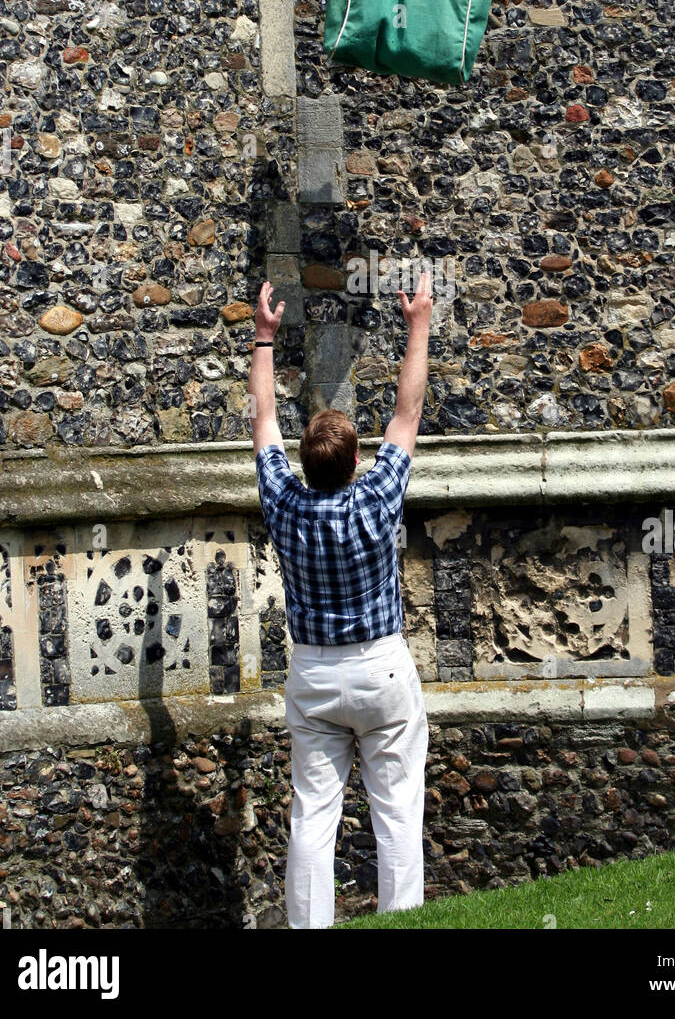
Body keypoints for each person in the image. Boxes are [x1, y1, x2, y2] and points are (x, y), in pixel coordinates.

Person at [248, 270, 433, 930]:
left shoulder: (284, 503)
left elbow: (263, 417)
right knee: (397, 809)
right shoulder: (378, 496)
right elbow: (406, 414)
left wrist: (265, 338)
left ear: (307, 464)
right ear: (356, 461)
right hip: (381, 668)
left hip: (316, 673)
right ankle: (402, 922)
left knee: (313, 816)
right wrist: (419, 324)